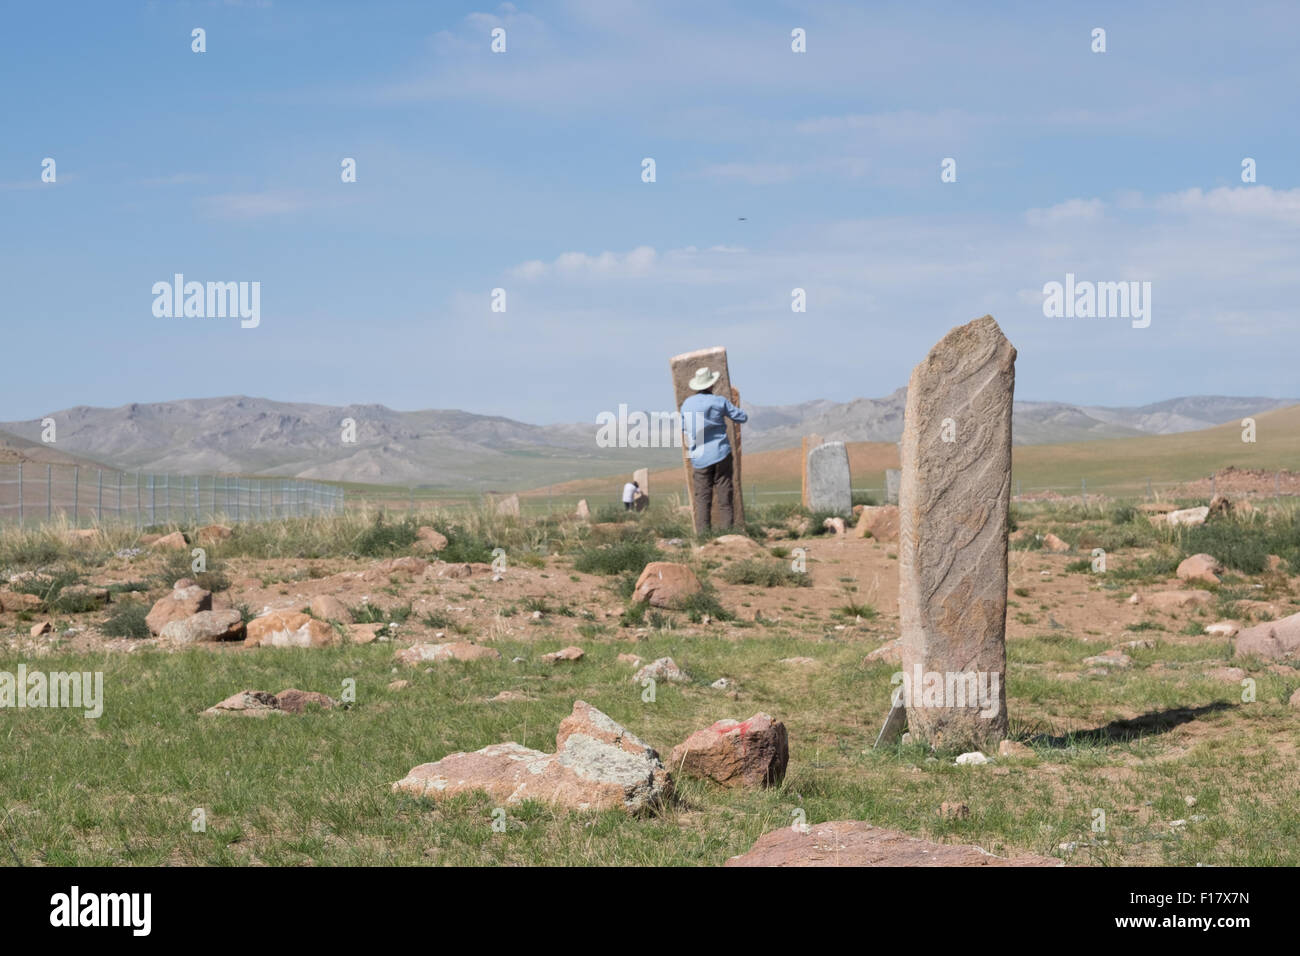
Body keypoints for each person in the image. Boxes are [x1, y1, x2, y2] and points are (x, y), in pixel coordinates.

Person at [680, 366, 747, 531]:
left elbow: (685, 428)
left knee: (702, 498)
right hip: (721, 453)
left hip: (699, 456)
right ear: (711, 384)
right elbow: (741, 417)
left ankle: (703, 537)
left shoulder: (687, 405)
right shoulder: (719, 401)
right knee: (725, 496)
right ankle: (727, 535)